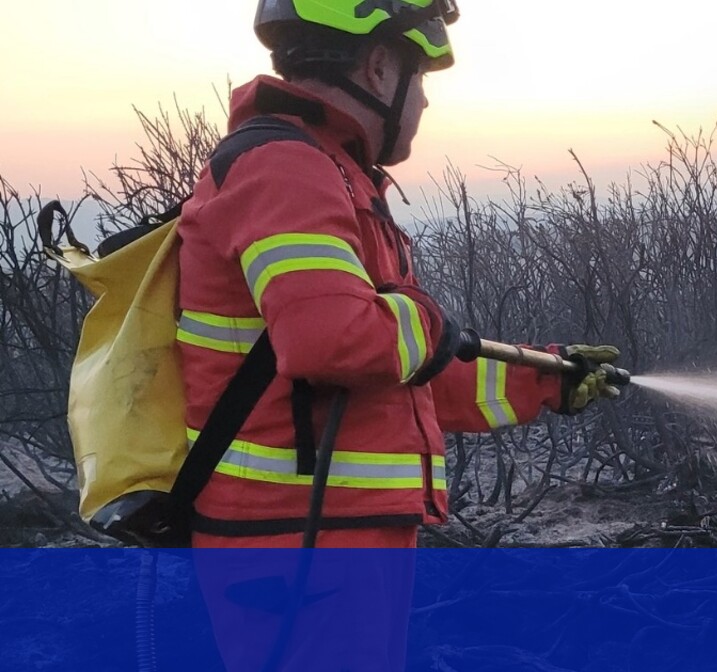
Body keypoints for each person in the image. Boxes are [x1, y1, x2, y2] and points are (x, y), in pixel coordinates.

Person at [178, 0, 620, 549]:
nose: (427, 98)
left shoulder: (334, 174)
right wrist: (429, 318)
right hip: (293, 546)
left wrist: (548, 378)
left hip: (324, 536)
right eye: (422, 76)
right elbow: (333, 340)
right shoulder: (286, 168)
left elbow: (399, 373)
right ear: (380, 66)